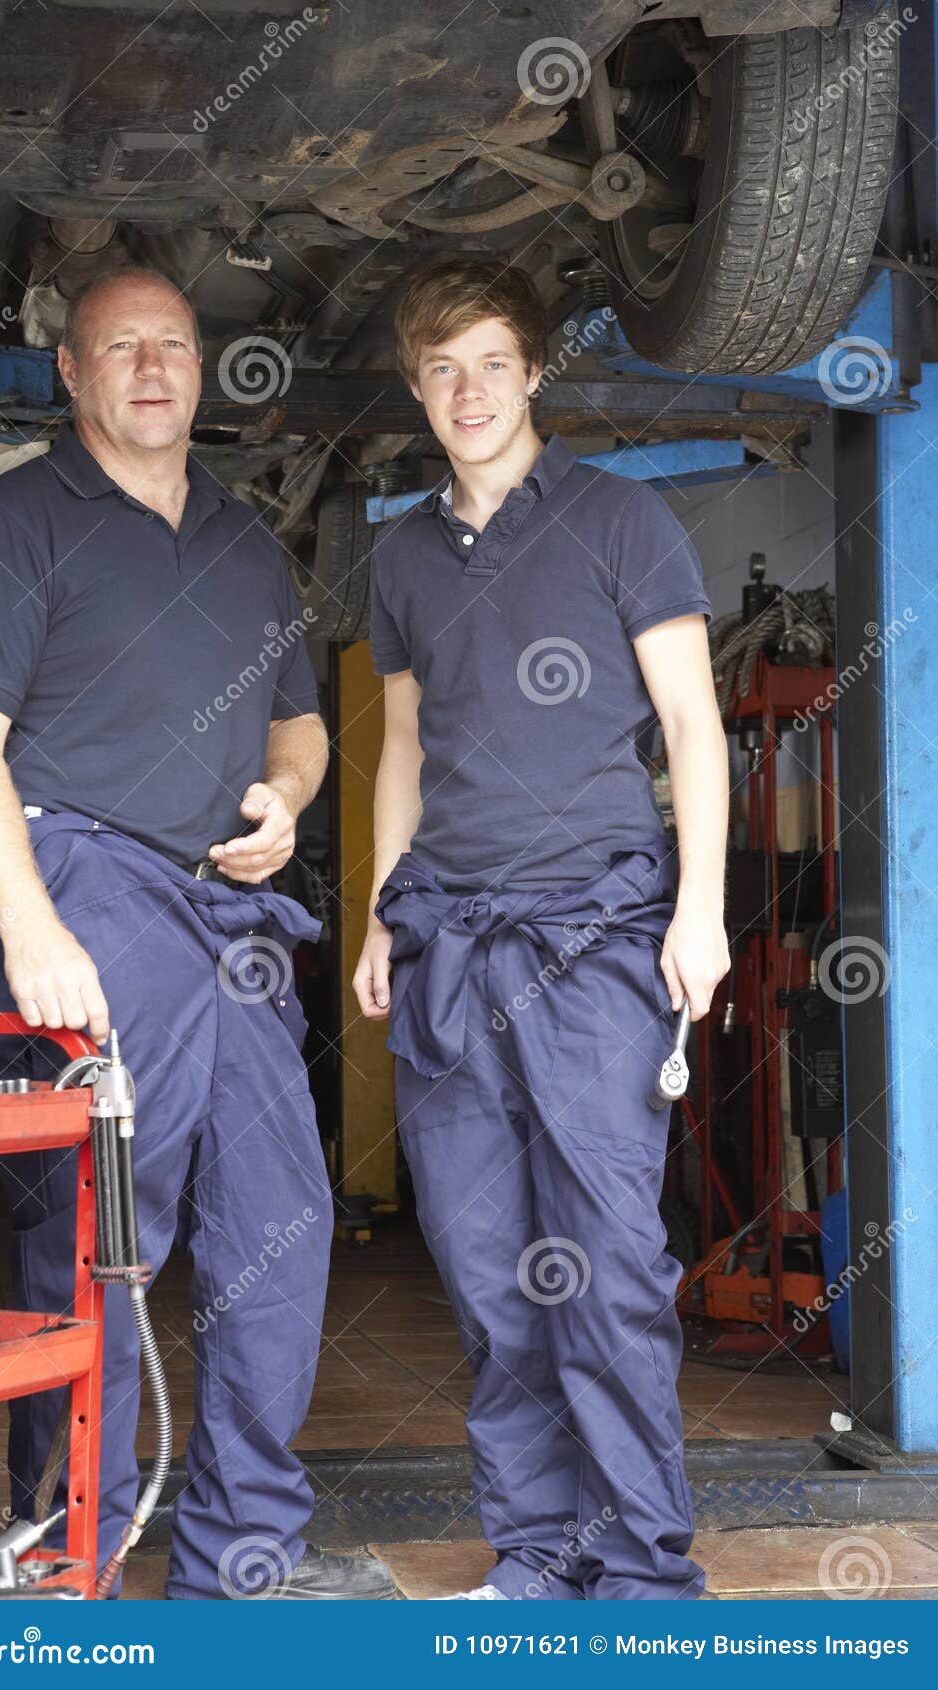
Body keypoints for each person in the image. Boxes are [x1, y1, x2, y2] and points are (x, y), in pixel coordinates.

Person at [0, 264, 394, 1601]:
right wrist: (30, 923)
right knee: (92, 1237)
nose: (151, 366)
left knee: (280, 1219)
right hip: (86, 881)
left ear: (204, 370)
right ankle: (78, 1536)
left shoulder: (247, 541)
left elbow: (298, 722)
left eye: (174, 345)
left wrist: (286, 798)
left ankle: (243, 1539)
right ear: (69, 374)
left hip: (231, 910)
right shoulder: (14, 524)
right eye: (119, 345)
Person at [353, 259, 731, 1600]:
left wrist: (702, 910)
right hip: (450, 942)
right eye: (442, 368)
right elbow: (401, 746)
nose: (469, 391)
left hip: (596, 941)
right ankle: (536, 1547)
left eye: (494, 363)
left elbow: (692, 728)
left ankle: (640, 1563)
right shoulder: (398, 551)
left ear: (532, 374)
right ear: (417, 386)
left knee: (611, 1264)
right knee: (486, 1267)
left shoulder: (624, 523)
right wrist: (381, 914)